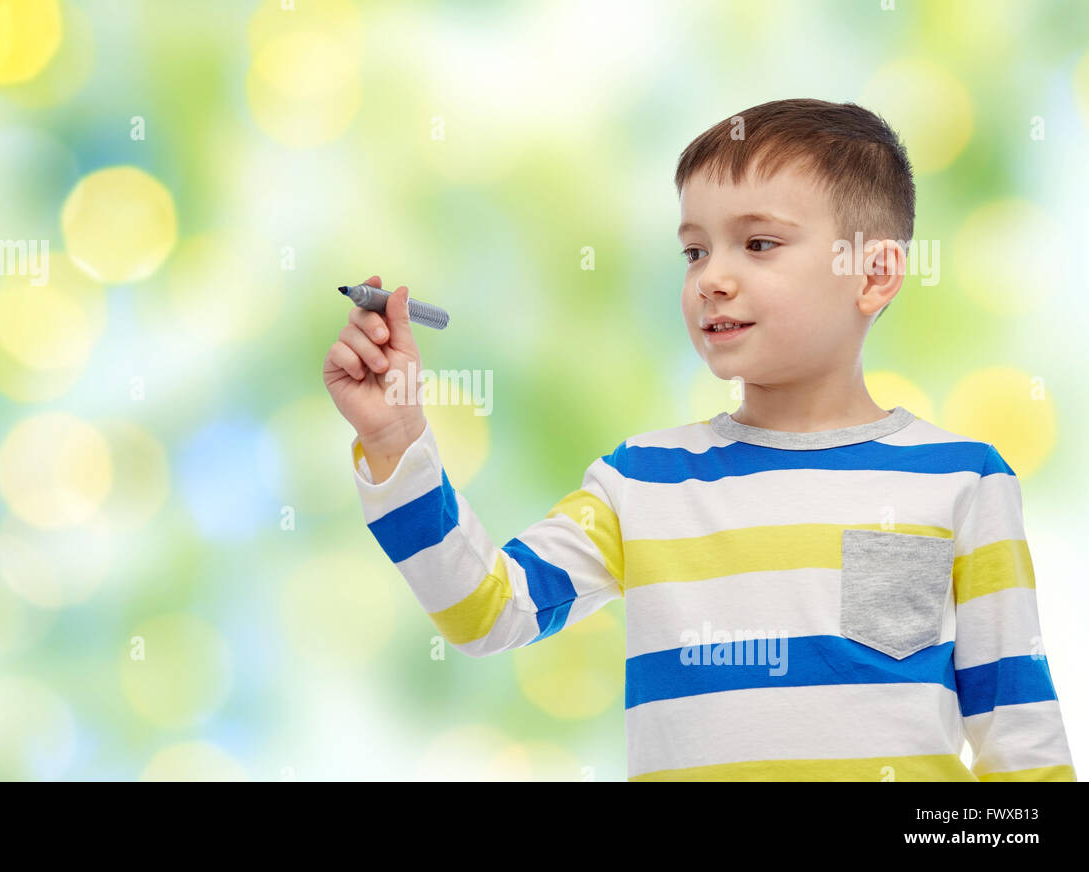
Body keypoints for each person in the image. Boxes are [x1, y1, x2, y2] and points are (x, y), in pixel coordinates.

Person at [322, 97, 1076, 782]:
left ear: (873, 275)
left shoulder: (962, 480)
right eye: (694, 250)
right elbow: (488, 613)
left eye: (758, 244)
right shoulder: (641, 482)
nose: (712, 278)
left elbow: (1022, 746)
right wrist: (398, 441)